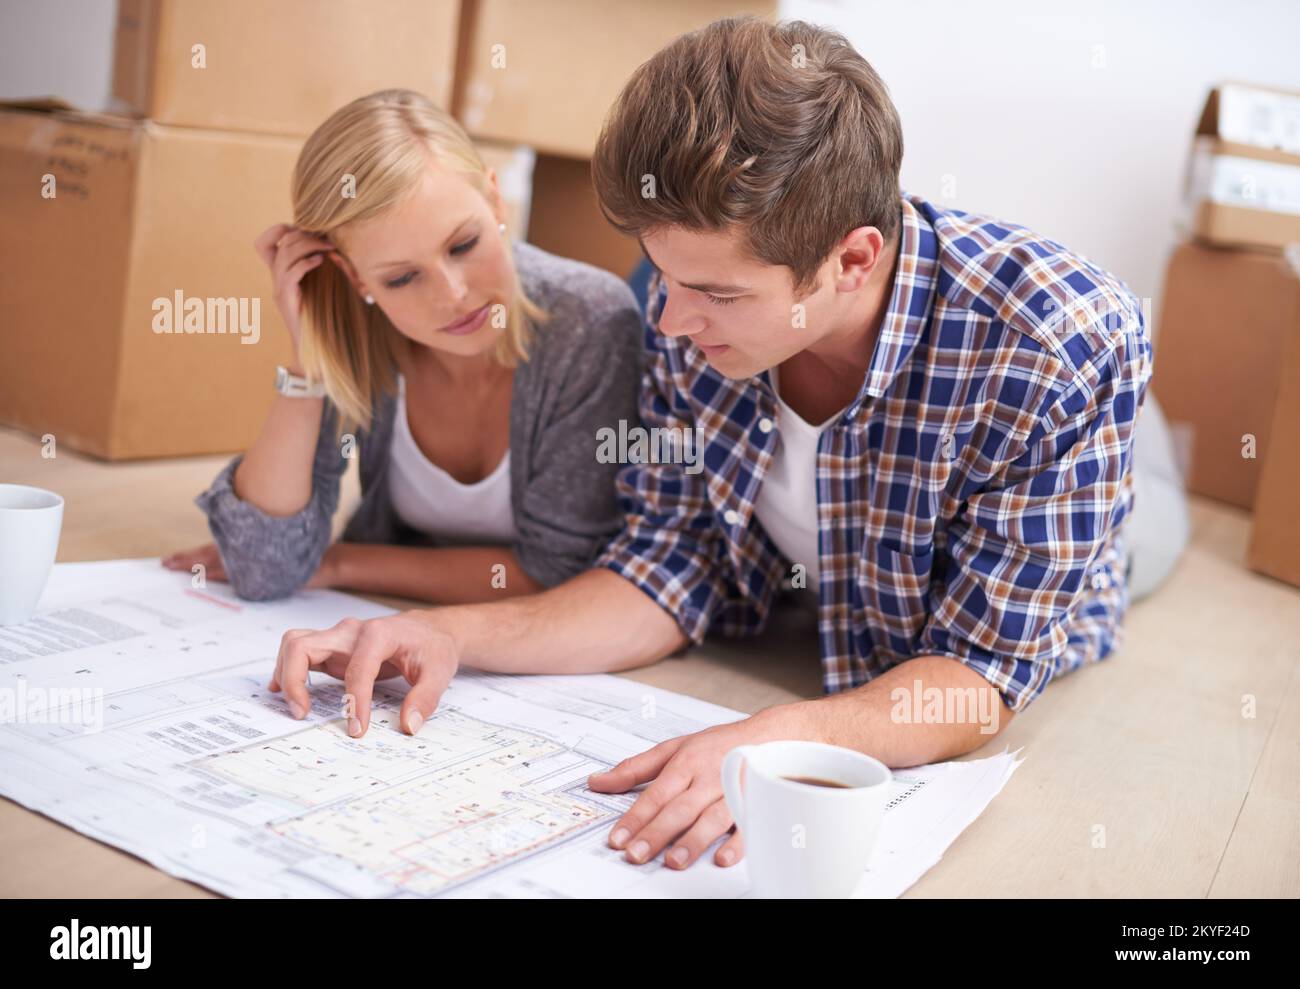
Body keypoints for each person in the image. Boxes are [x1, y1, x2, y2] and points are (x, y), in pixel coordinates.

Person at [264, 18, 1153, 874]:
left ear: (853, 260)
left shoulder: (1060, 346)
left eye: (717, 296)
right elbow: (665, 565)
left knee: (1156, 515)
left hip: (1070, 542)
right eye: (665, 276)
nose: (670, 320)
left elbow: (982, 669)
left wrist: (774, 733)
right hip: (813, 573)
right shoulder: (682, 295)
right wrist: (445, 633)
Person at [163, 89, 642, 607]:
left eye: (463, 245)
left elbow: (556, 573)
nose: (452, 296)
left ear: (495, 200)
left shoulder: (590, 320)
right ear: (355, 278)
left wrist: (337, 561)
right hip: (391, 609)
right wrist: (308, 355)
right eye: (402, 278)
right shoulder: (359, 330)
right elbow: (264, 567)